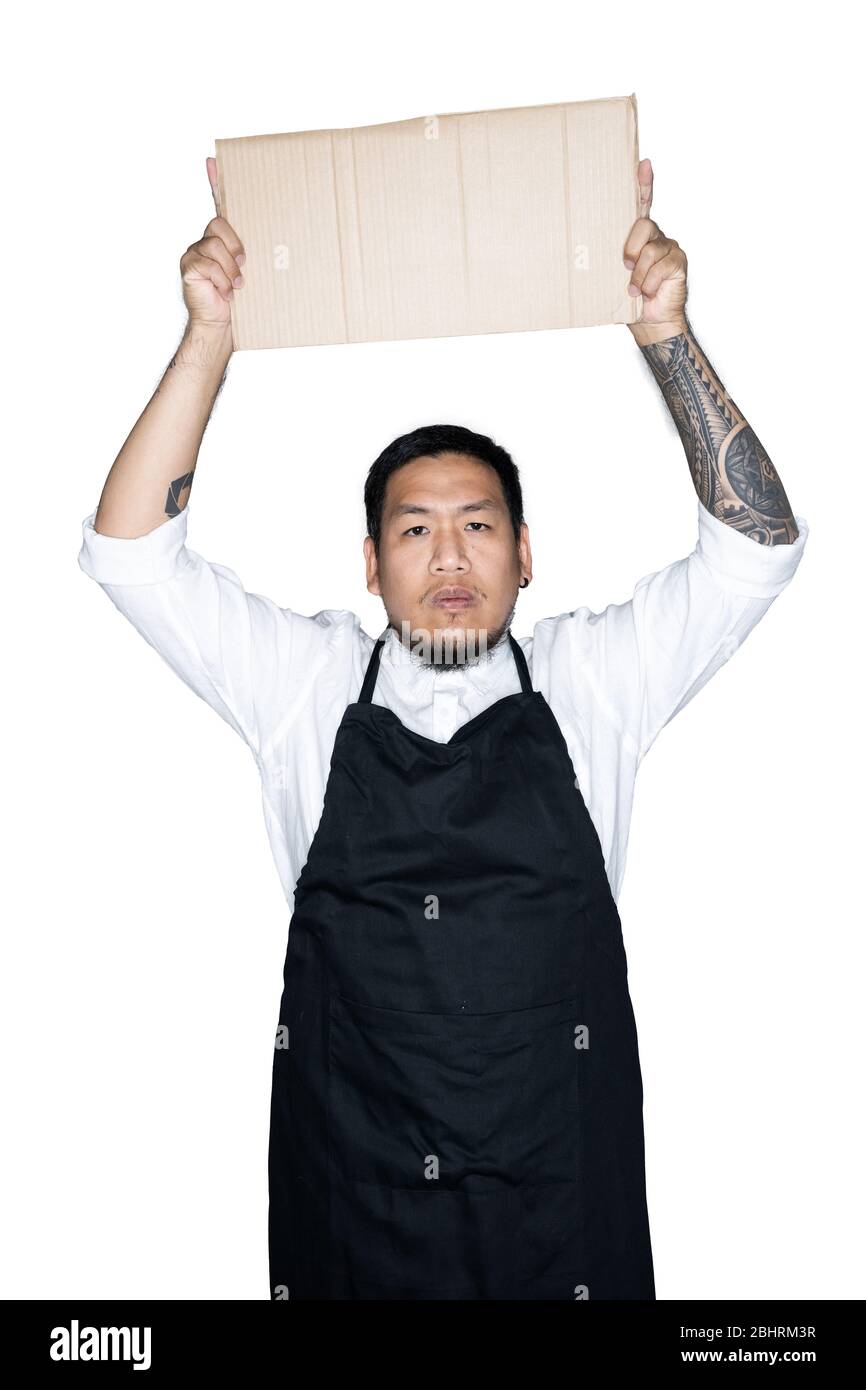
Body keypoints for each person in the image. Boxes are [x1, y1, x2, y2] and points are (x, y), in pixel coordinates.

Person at [78, 155, 809, 1300]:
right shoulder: (306, 683)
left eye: (478, 523)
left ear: (525, 554)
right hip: (353, 1178)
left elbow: (758, 546)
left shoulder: (593, 676)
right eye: (415, 530)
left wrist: (664, 334)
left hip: (558, 1188)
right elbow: (129, 554)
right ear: (370, 564)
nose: (451, 555)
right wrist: (206, 344)